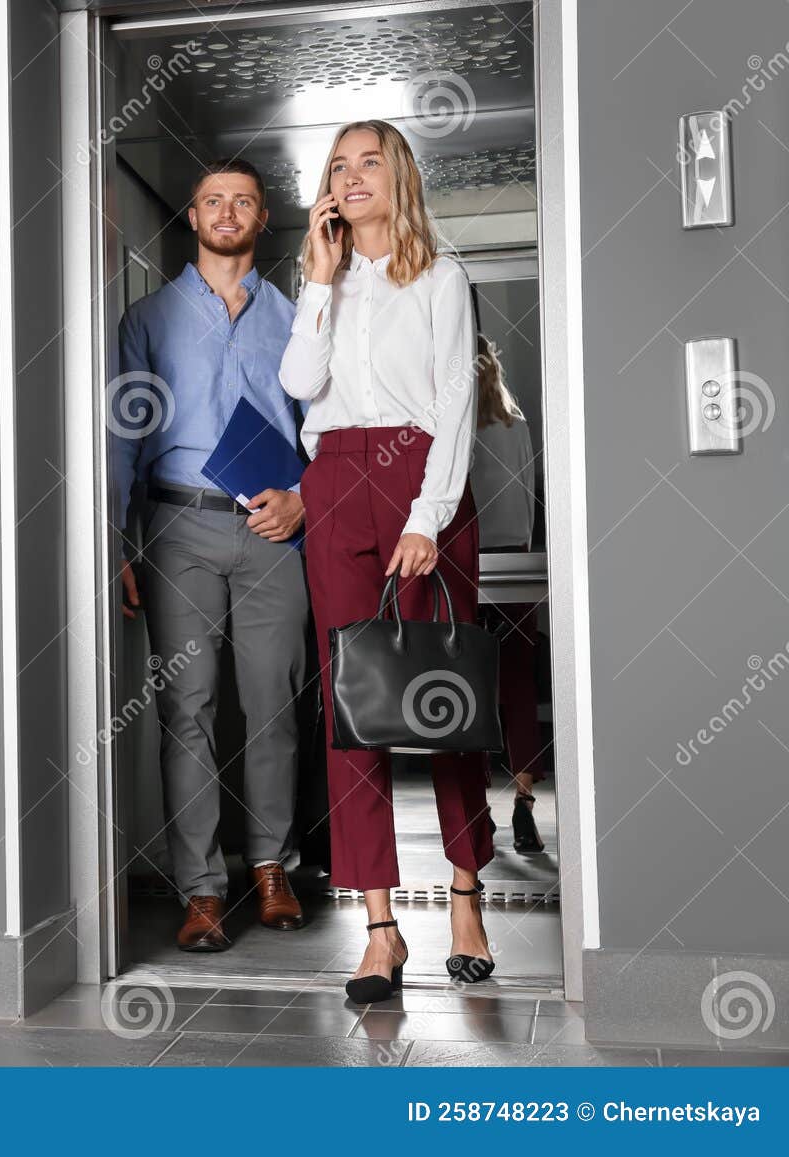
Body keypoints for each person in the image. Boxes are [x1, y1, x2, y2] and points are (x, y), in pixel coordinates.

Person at [278, 120, 496, 1003]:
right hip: (331, 480)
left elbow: (456, 400)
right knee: (352, 706)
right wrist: (319, 284)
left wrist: (428, 516)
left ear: (399, 176)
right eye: (340, 165)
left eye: (370, 161)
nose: (353, 174)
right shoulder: (323, 281)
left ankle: (468, 895)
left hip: (418, 477)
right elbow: (299, 384)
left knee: (446, 694)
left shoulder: (441, 277)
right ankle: (378, 926)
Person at [112, 158, 311, 952]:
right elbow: (120, 440)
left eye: (244, 202)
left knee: (274, 706)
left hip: (272, 530)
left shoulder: (298, 317)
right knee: (184, 708)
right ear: (192, 218)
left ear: (263, 220)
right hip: (176, 529)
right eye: (213, 201)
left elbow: (322, 433)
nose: (228, 212)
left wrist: (304, 499)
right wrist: (119, 543)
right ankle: (200, 889)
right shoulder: (147, 319)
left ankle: (270, 866)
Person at [469, 334, 548, 853]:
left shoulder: (450, 430)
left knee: (468, 690)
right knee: (518, 684)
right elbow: (528, 492)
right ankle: (524, 806)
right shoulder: (516, 427)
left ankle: (476, 814)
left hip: (470, 561)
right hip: (515, 559)